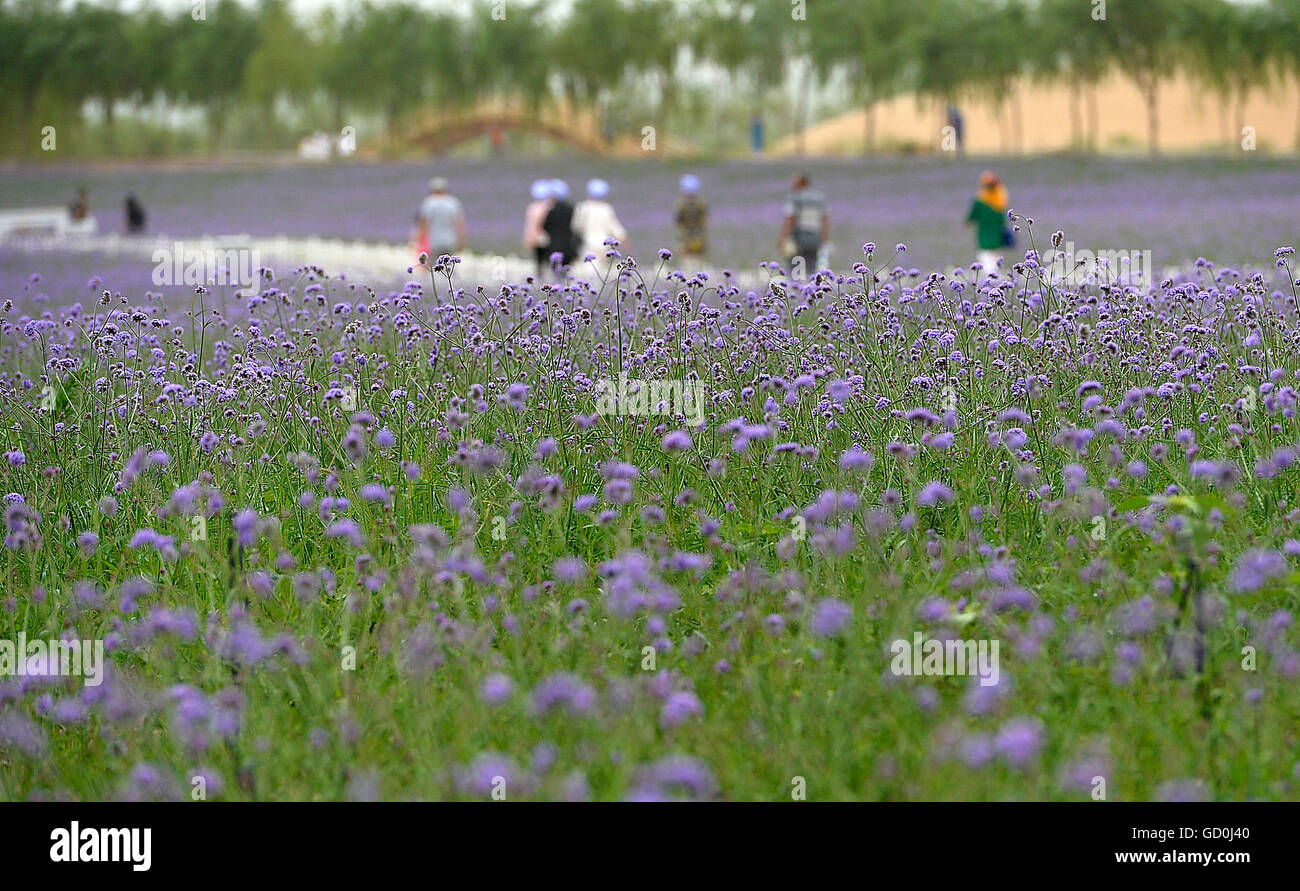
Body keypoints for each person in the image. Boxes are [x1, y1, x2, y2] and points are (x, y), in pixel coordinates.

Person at [572, 178, 628, 275]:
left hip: (588, 243)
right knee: (602, 271)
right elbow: (615, 227)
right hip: (604, 244)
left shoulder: (582, 207)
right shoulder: (606, 208)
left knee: (590, 271)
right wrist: (624, 240)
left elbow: (576, 227)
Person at [778, 172, 828, 277]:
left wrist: (783, 238)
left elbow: (791, 219)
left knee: (795, 269)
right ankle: (812, 290)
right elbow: (824, 219)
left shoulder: (795, 198)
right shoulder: (818, 199)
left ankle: (797, 290)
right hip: (815, 239)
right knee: (812, 270)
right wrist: (824, 239)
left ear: (801, 184)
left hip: (799, 239)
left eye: (795, 183)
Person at [966, 170, 1009, 277]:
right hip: (997, 236)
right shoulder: (1000, 199)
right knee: (996, 260)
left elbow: (972, 216)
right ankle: (997, 282)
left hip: (984, 235)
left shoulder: (980, 200)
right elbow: (1003, 220)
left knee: (986, 259)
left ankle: (991, 283)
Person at [416, 176, 466, 263]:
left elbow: (423, 224)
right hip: (450, 241)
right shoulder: (453, 202)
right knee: (449, 268)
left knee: (435, 268)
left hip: (434, 242)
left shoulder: (429, 202)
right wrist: (461, 241)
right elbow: (459, 224)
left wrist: (418, 241)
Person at [542, 179, 576, 273]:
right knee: (566, 274)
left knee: (555, 273)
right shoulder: (571, 209)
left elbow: (545, 226)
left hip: (554, 247)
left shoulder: (552, 211)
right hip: (569, 246)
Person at [522, 179, 553, 278]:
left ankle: (541, 278)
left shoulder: (533, 207)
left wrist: (528, 240)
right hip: (547, 238)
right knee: (548, 262)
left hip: (537, 239)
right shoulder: (549, 206)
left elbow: (531, 226)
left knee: (539, 263)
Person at [674, 174, 708, 260]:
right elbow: (704, 221)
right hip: (698, 238)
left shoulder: (681, 205)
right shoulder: (701, 204)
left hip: (685, 239)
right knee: (698, 263)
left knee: (687, 263)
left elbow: (678, 221)